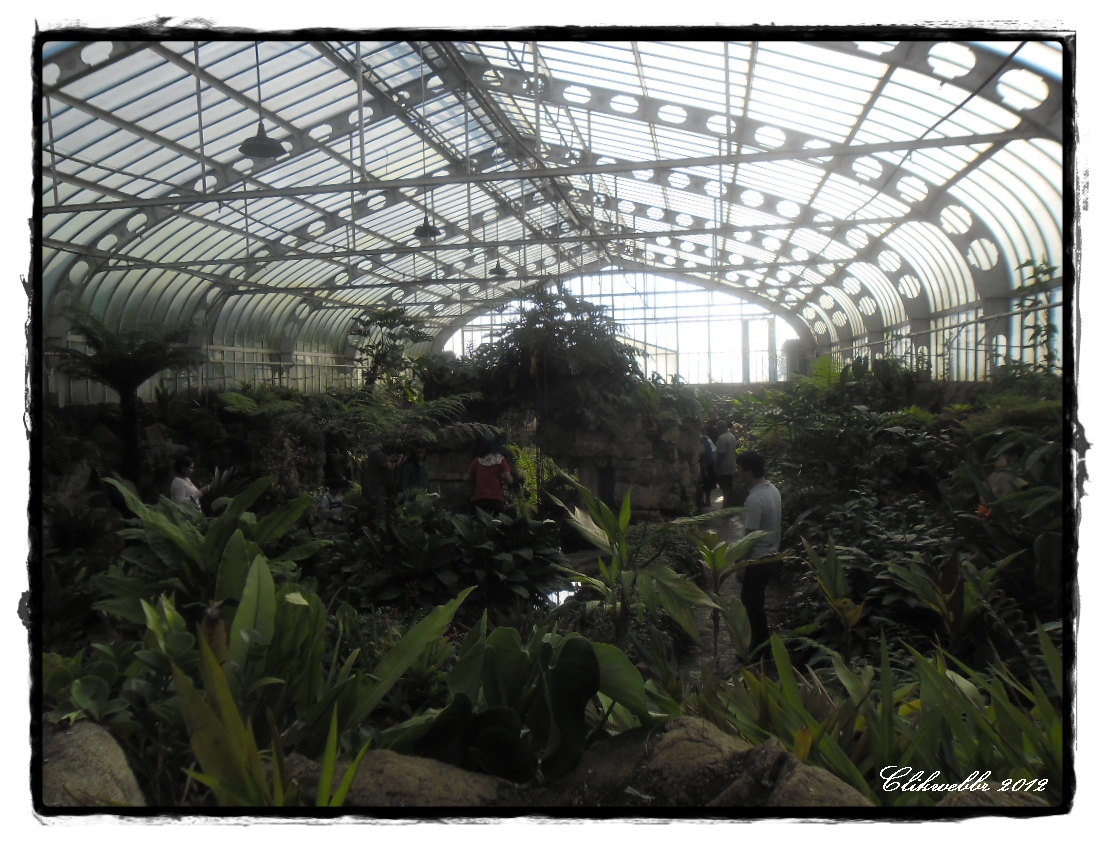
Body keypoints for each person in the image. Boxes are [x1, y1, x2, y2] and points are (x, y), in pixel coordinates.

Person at [735, 451, 783, 652]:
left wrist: (741, 565)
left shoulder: (754, 499)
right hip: (772, 555)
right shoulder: (773, 490)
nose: (737, 473)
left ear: (749, 471)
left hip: (757, 560)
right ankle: (760, 644)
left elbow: (750, 537)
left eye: (739, 470)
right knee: (754, 601)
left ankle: (760, 648)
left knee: (752, 604)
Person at [464, 434, 513, 515]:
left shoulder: (478, 461)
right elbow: (510, 480)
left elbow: (465, 478)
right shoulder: (500, 460)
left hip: (480, 499)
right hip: (497, 498)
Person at [714, 422, 738, 508]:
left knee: (724, 487)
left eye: (717, 427)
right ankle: (729, 504)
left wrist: (717, 466)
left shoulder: (722, 438)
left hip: (723, 466)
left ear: (721, 427)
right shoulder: (731, 436)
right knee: (729, 486)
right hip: (731, 465)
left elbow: (721, 454)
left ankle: (725, 505)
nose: (716, 429)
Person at [696, 428, 717, 509]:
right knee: (706, 483)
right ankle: (706, 500)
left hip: (707, 464)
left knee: (706, 483)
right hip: (709, 463)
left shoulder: (705, 440)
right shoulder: (706, 440)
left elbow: (703, 453)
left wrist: (704, 468)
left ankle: (706, 501)